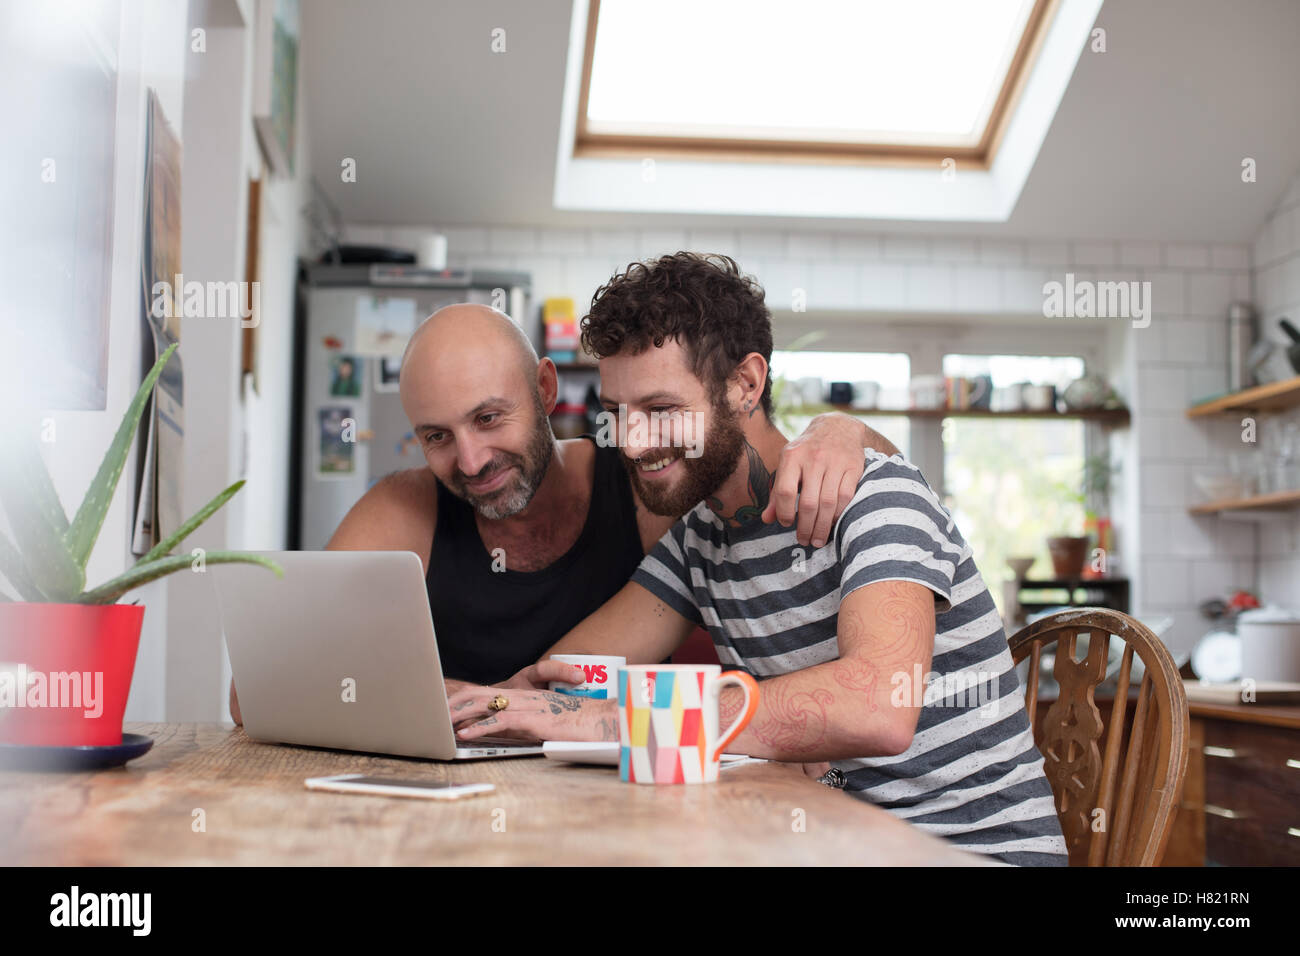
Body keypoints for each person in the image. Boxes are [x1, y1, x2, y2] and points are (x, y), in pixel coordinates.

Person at [450, 253, 1068, 866]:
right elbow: (571, 674)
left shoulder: (876, 496)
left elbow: (877, 706)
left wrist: (609, 722)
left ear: (745, 384)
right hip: (834, 847)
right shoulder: (702, 540)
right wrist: (469, 705)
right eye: (617, 413)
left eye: (661, 410)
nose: (631, 443)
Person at [230, 301, 899, 721]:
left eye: (490, 418)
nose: (469, 460)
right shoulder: (405, 506)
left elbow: (787, 459)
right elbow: (261, 690)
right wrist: (496, 702)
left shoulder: (652, 484)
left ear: (545, 389)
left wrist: (841, 430)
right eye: (436, 436)